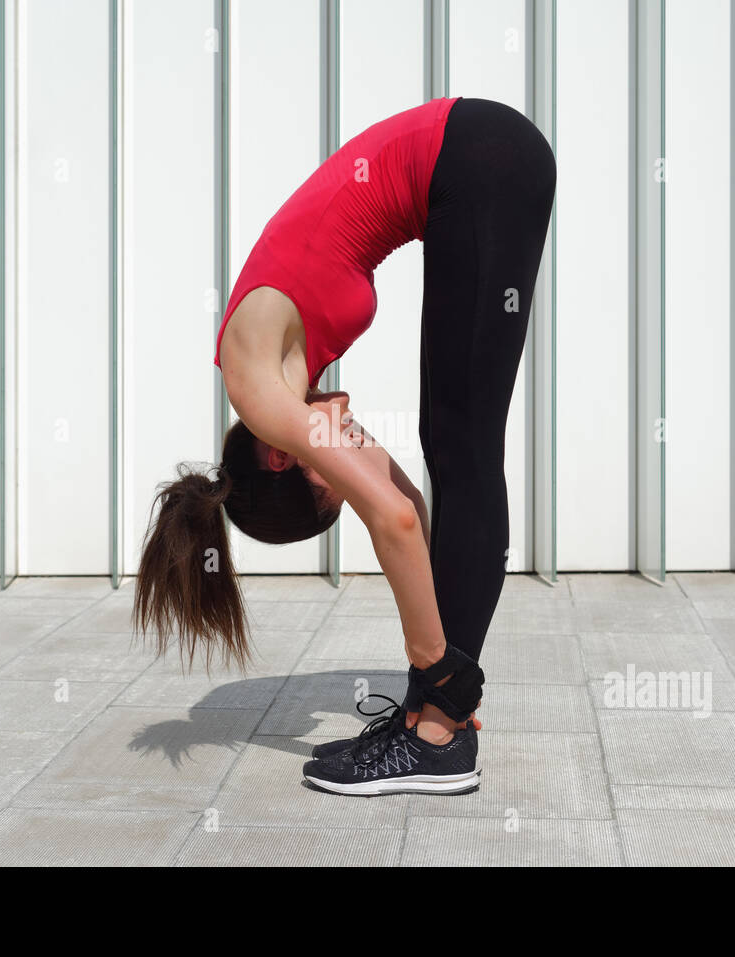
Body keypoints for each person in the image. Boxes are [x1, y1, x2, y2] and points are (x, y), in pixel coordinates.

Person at [134, 96, 556, 796]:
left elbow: (386, 517)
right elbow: (409, 506)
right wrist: (429, 675)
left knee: (464, 445)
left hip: (480, 159)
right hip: (476, 165)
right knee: (448, 448)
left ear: (278, 457)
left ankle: (441, 734)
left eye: (324, 485)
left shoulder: (263, 394)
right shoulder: (276, 382)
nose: (343, 450)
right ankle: (433, 723)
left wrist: (434, 662)